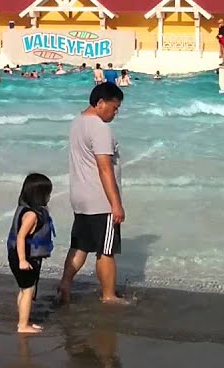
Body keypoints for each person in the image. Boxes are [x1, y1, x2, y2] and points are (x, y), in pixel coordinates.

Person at [56, 82, 127, 306]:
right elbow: (104, 168)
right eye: (114, 108)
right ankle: (109, 295)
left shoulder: (78, 122)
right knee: (106, 250)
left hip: (80, 197)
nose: (115, 113)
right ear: (100, 103)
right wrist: (116, 204)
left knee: (80, 245)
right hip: (100, 200)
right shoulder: (100, 128)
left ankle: (65, 284)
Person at [7, 173, 56, 334]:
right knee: (28, 291)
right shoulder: (31, 216)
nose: (49, 197)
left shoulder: (26, 209)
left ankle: (23, 320)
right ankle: (23, 325)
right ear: (39, 195)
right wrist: (22, 260)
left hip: (18, 255)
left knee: (24, 289)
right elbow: (21, 237)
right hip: (25, 258)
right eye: (47, 193)